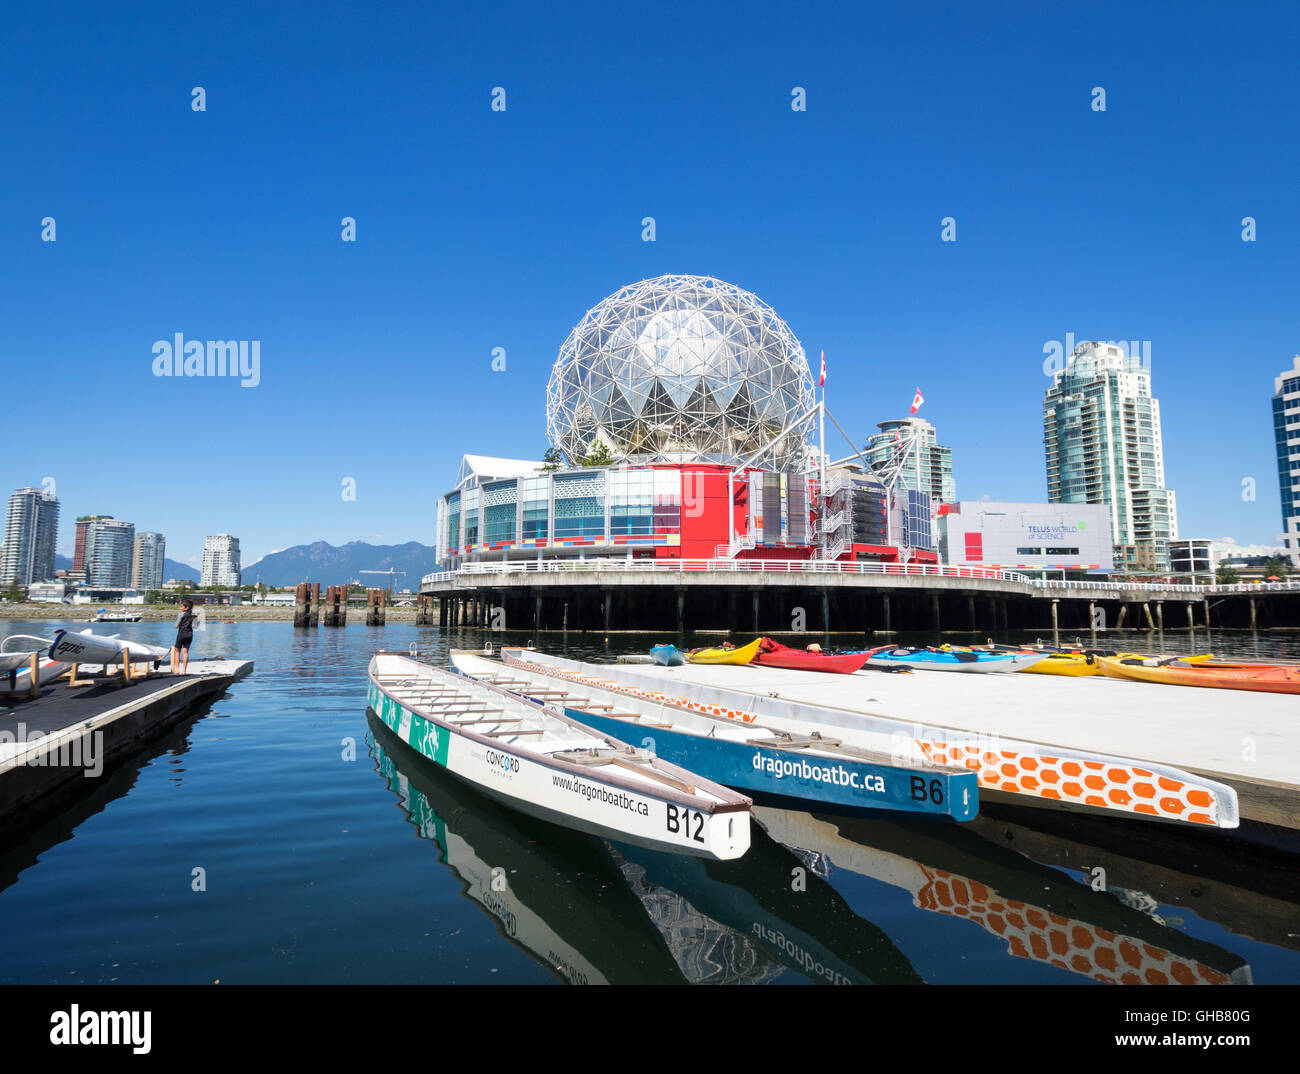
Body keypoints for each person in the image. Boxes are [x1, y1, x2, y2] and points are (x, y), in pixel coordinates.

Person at [173, 599, 197, 674]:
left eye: (182, 606)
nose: (180, 608)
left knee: (177, 651)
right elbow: (195, 627)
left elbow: (176, 626)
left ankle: (177, 669)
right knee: (185, 652)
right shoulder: (194, 616)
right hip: (189, 635)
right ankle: (184, 671)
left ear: (186, 608)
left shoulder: (181, 614)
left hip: (181, 634)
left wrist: (177, 624)